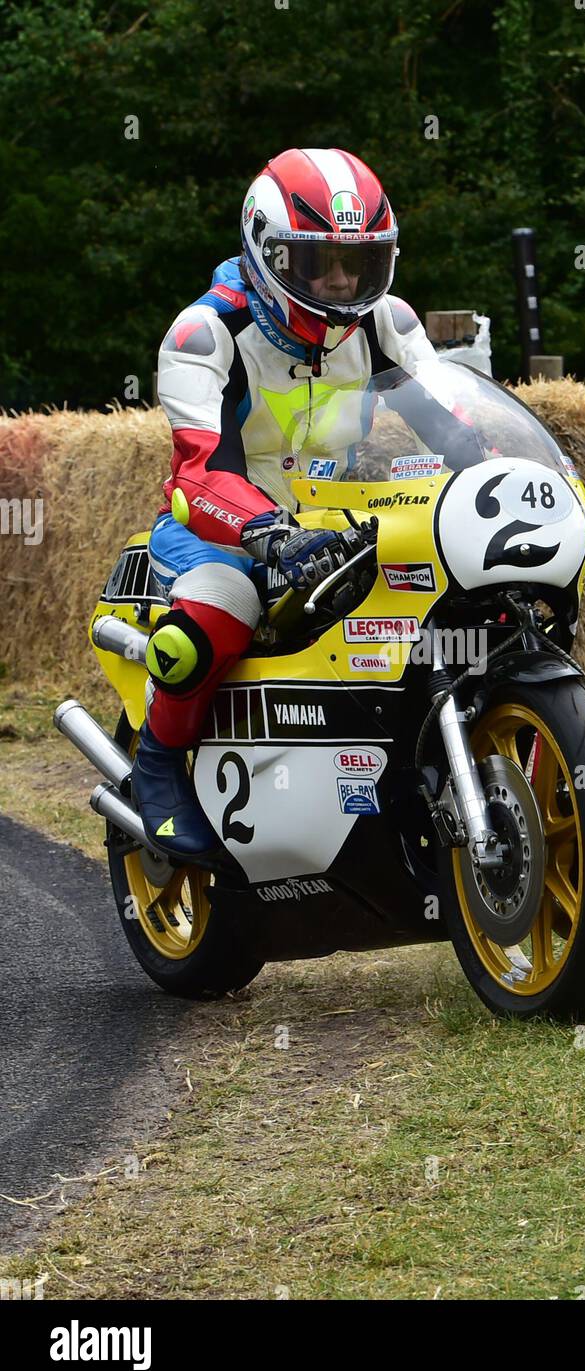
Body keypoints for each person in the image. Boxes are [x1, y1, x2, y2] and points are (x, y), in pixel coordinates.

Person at [130, 147, 436, 858]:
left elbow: (455, 420)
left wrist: (507, 476)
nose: (339, 281)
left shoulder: (385, 323)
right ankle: (157, 765)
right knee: (220, 607)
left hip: (334, 525)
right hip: (220, 531)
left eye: (355, 263)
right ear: (268, 252)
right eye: (317, 261)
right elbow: (196, 470)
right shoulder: (205, 333)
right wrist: (267, 530)